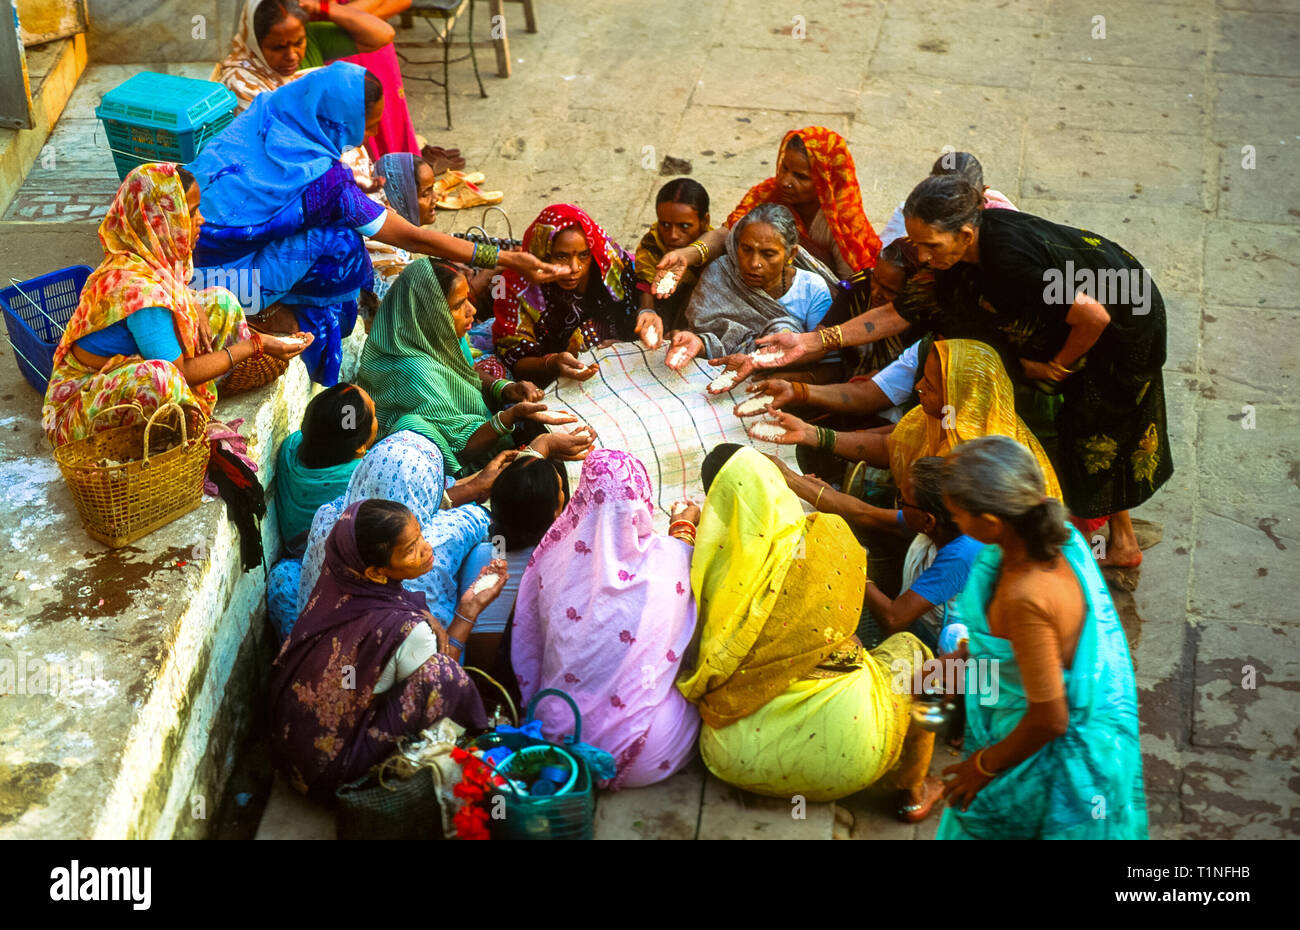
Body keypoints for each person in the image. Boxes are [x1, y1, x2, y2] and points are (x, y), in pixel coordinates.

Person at [754, 175, 1171, 567]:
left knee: (1095, 431)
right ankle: (1113, 535)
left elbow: (1093, 316)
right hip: (1074, 319)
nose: (921, 256)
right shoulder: (953, 265)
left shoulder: (1010, 261)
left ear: (967, 235)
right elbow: (901, 312)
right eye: (916, 243)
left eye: (930, 245)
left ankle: (1120, 540)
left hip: (1121, 324)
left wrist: (1057, 365)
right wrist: (811, 342)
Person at [188, 62, 560, 386]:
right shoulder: (326, 184)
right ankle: (290, 323)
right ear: (338, 121)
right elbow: (414, 238)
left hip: (185, 258)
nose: (371, 136)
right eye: (368, 126)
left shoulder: (268, 112)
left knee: (335, 234)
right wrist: (505, 259)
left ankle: (275, 305)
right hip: (220, 285)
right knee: (343, 246)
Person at [676, 445, 944, 819]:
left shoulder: (700, 569)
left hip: (730, 758)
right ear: (776, 486)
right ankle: (912, 791)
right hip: (852, 757)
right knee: (915, 653)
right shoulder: (828, 538)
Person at [936, 435, 1148, 839]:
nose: (955, 524)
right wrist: (964, 659)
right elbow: (1019, 654)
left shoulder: (1025, 597)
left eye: (957, 515)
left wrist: (981, 767)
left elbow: (1049, 719)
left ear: (990, 524)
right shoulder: (1060, 538)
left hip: (1044, 769)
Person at [42, 163, 309, 446]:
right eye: (191, 212)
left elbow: (173, 291)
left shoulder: (146, 258)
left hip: (122, 374)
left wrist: (190, 300)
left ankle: (197, 397)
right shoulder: (140, 294)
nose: (201, 220)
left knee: (221, 303)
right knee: (163, 379)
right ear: (159, 221)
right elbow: (179, 372)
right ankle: (178, 421)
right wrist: (257, 345)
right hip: (79, 410)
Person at [268, 498, 504, 800]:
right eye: (410, 550)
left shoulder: (335, 589)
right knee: (442, 676)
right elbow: (445, 678)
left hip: (290, 748)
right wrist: (469, 610)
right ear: (376, 574)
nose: (426, 548)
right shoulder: (408, 631)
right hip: (330, 774)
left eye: (419, 535)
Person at [513, 450, 701, 789]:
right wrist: (683, 525)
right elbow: (678, 566)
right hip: (636, 756)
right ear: (642, 497)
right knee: (691, 686)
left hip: (555, 739)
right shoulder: (671, 559)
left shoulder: (552, 560)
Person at [356, 258, 594, 475]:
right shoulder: (414, 374)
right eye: (459, 305)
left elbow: (463, 372)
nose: (473, 310)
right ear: (430, 313)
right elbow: (460, 448)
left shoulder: (430, 333)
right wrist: (511, 416)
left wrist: (505, 389)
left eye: (468, 299)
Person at [752, 339, 1064, 502]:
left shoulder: (974, 470)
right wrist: (813, 434)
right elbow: (892, 444)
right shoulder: (940, 419)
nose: (917, 388)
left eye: (928, 385)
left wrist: (817, 493)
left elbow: (903, 524)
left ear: (960, 397)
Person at [296, 431, 502, 649]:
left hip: (314, 646)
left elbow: (385, 492)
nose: (422, 547)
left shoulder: (329, 517)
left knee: (285, 573)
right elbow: (478, 517)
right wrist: (467, 614)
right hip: (400, 660)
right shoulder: (432, 550)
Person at [653, 127, 881, 295]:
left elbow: (850, 286)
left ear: (825, 181)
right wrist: (688, 254)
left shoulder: (843, 221)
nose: (786, 181)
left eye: (801, 177)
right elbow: (727, 234)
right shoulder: (767, 194)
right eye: (784, 168)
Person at [214, 0, 420, 159]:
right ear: (255, 41)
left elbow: (382, 34)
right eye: (278, 47)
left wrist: (324, 9)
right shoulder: (240, 81)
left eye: (298, 42)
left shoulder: (311, 39)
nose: (292, 55)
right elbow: (280, 150)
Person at [666, 203, 834, 379]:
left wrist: (775, 378)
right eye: (746, 250)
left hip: (778, 383)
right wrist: (698, 343)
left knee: (782, 329)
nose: (754, 263)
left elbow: (829, 365)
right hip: (716, 374)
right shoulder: (720, 274)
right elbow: (703, 333)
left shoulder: (812, 289)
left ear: (790, 254)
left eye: (768, 254)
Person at [483, 204, 640, 385]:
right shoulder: (512, 286)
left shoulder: (609, 266)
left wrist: (623, 344)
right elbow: (515, 359)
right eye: (561, 256)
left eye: (583, 255)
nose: (574, 268)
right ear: (542, 254)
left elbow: (638, 308)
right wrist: (552, 363)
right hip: (546, 371)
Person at [456, 450, 572, 671]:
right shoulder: (562, 560)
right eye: (560, 490)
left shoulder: (478, 554)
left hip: (478, 669)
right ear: (555, 511)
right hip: (516, 670)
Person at [273, 382, 377, 549]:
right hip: (323, 555)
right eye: (374, 415)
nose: (376, 408)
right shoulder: (362, 476)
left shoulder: (290, 446)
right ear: (359, 447)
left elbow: (339, 428)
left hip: (294, 545)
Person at [878, 151, 1017, 248]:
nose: (955, 209)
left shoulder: (1005, 227)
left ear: (983, 192)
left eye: (967, 201)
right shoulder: (911, 212)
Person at [632, 178, 712, 340]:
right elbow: (645, 285)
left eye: (684, 226)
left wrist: (684, 330)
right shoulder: (653, 243)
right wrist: (647, 312)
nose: (673, 235)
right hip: (665, 308)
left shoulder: (714, 250)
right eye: (665, 225)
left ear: (704, 221)